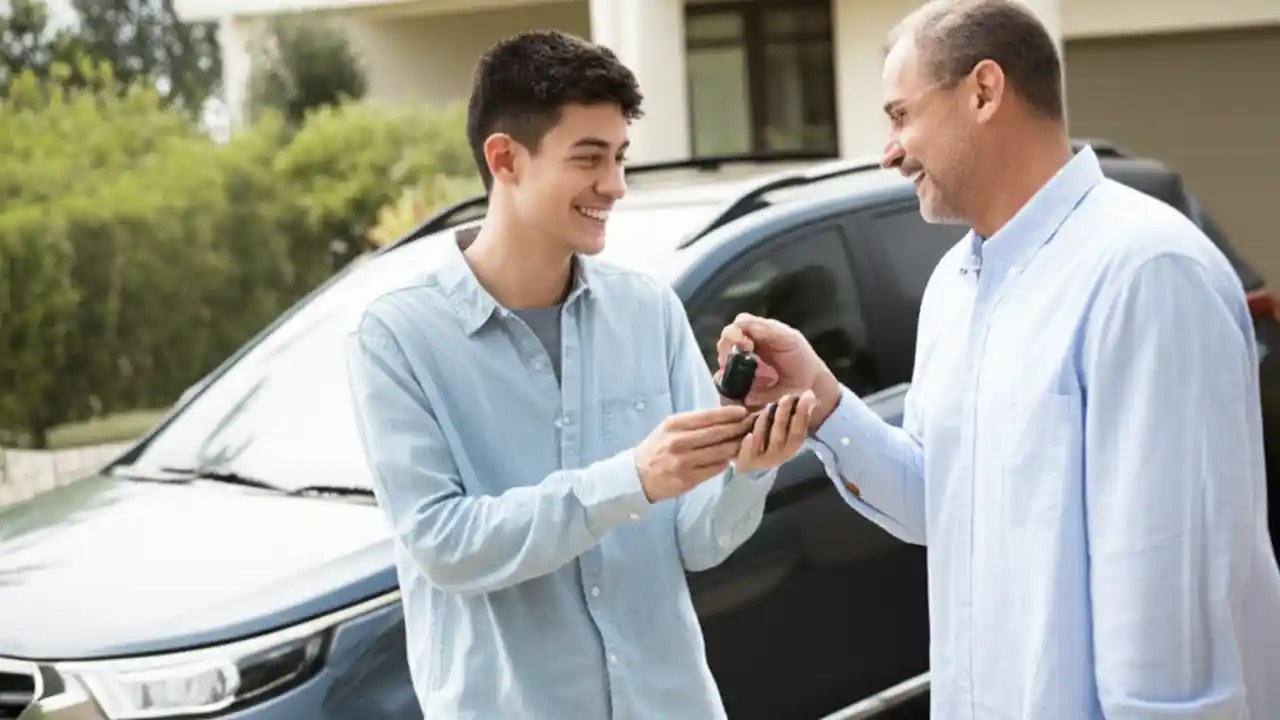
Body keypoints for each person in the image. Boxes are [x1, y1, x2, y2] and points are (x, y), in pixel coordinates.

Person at [717, 1, 1280, 717]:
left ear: (983, 91)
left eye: (899, 115)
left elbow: (1168, 580)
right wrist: (824, 403)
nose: (889, 150)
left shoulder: (1144, 272)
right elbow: (938, 502)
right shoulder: (956, 287)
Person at [345, 30, 816, 719]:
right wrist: (633, 479)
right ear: (505, 158)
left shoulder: (647, 309)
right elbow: (445, 547)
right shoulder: (396, 338)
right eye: (589, 158)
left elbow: (697, 540)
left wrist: (750, 465)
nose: (615, 186)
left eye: (620, 158)